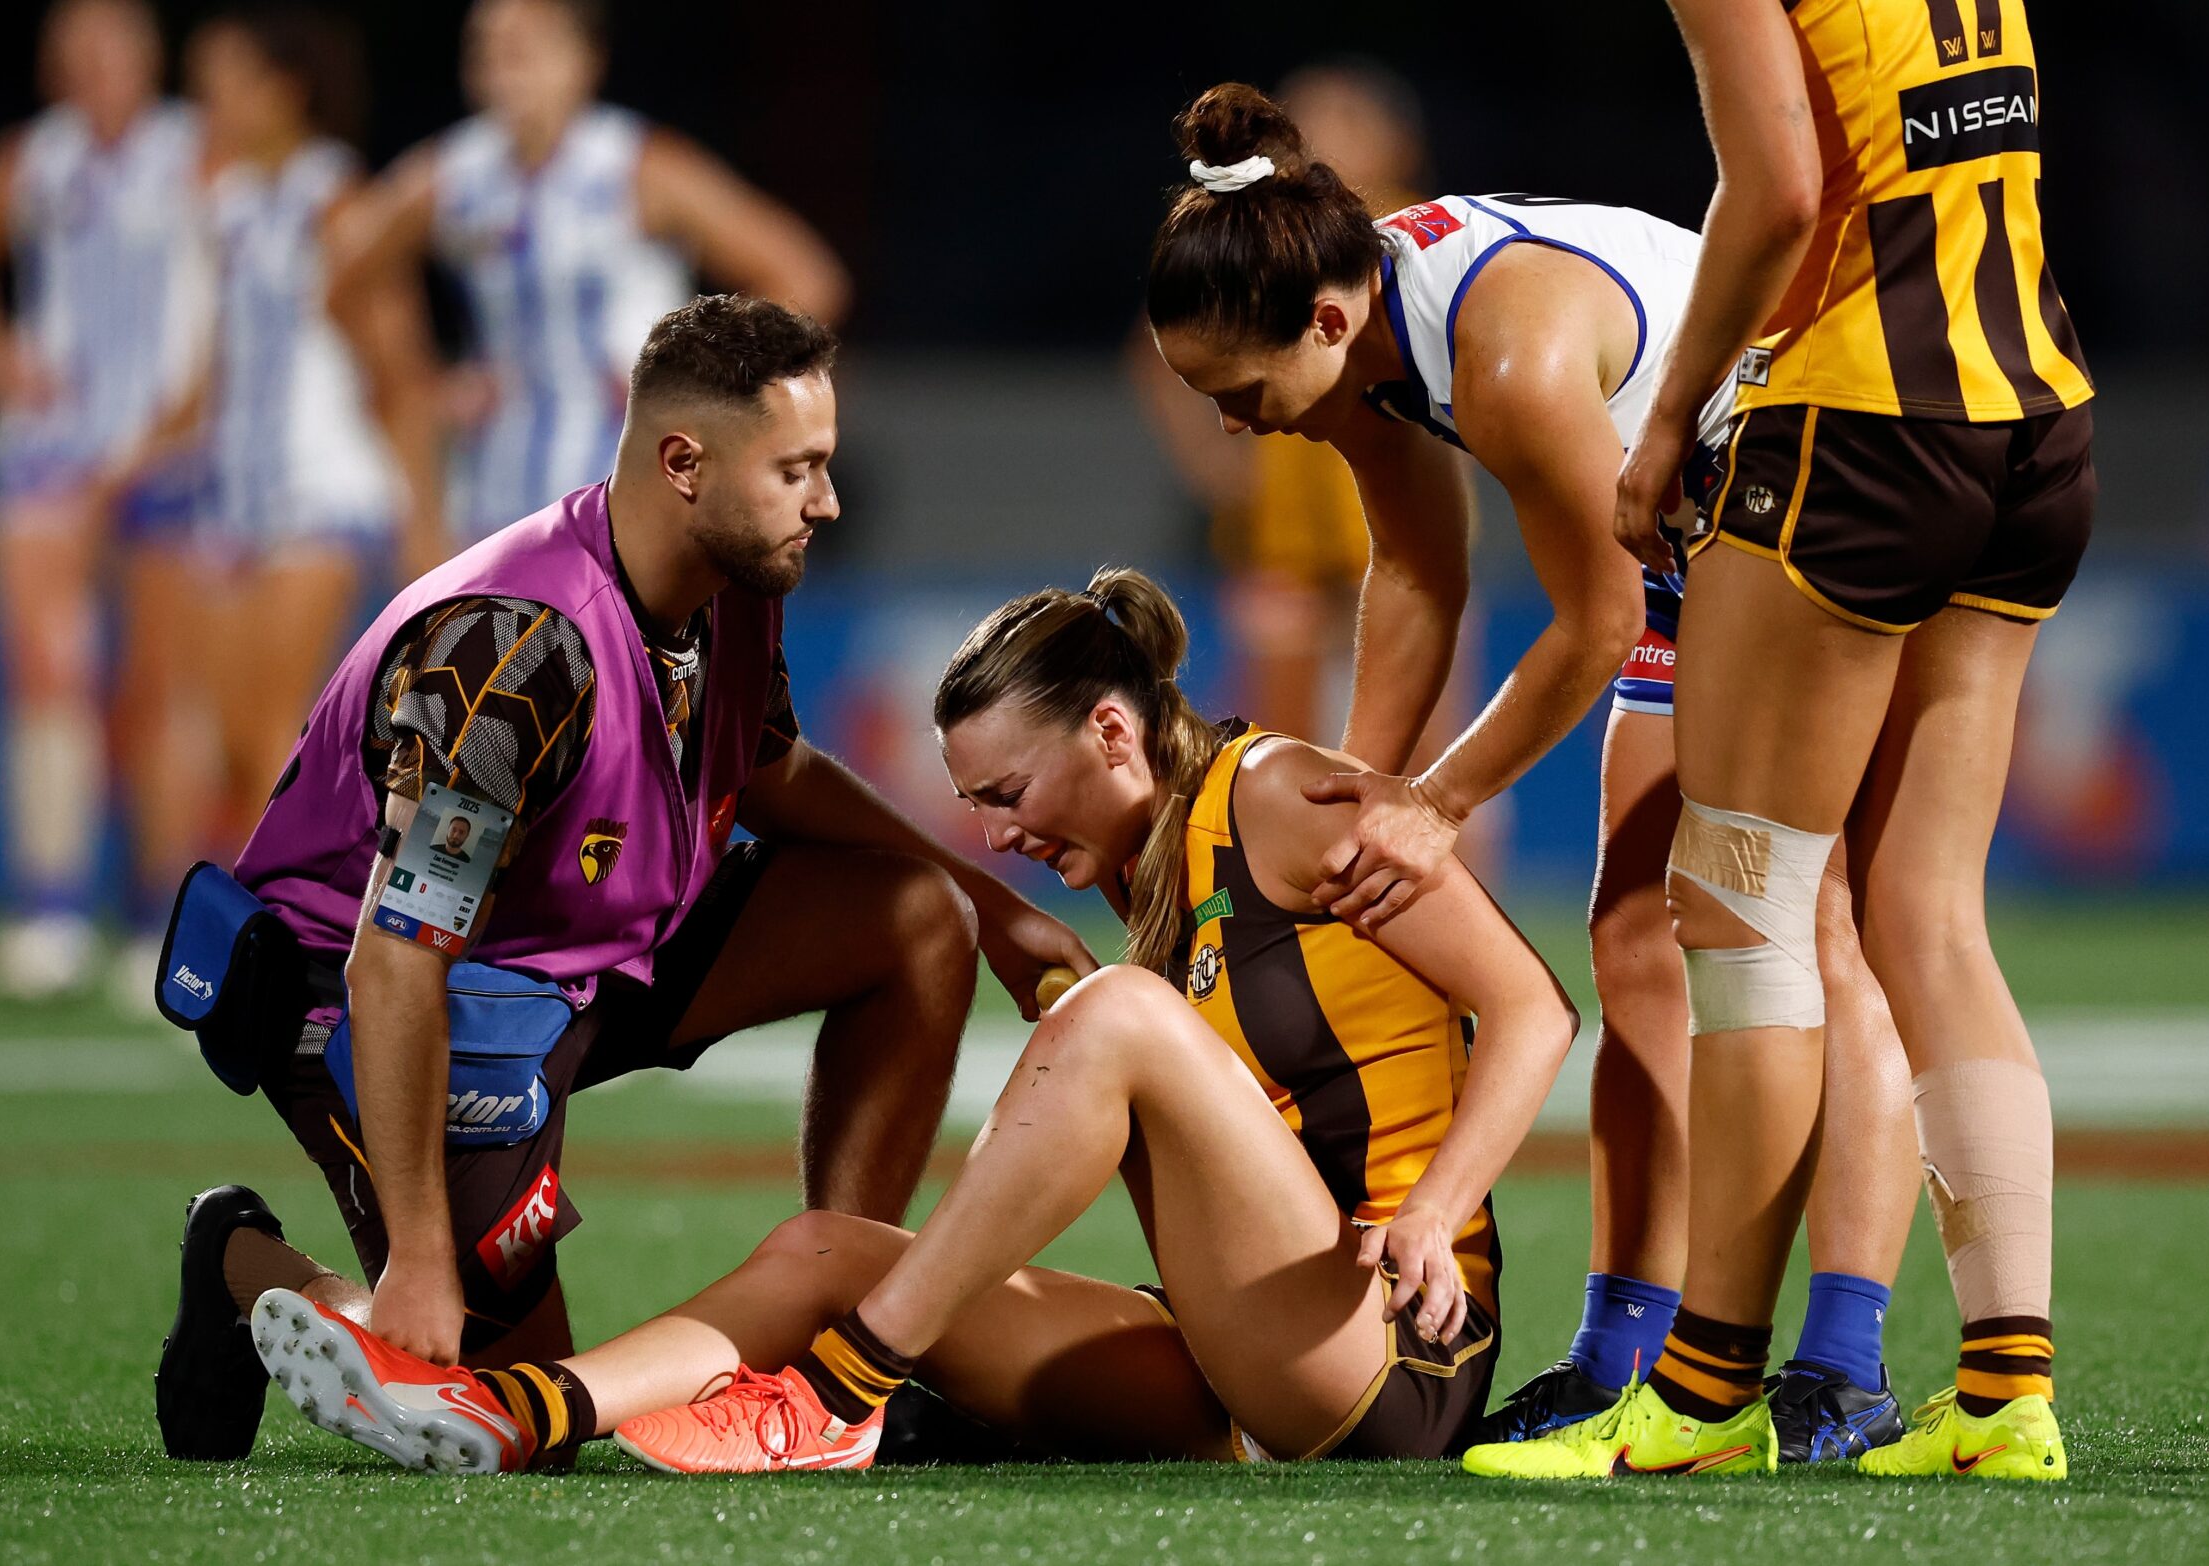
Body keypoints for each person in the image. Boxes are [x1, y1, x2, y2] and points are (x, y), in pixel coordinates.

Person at [239, 565, 1574, 1475]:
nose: (991, 833)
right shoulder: (1149, 874)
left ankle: (843, 1386)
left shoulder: (1279, 796)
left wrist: (1434, 1208)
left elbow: (1533, 1008)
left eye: (1007, 793)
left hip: (1393, 1349)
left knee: (1113, 1014)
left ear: (1114, 733)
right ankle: (517, 1409)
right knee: (824, 1245)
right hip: (1243, 1356)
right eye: (973, 804)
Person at [151, 296, 1093, 1464]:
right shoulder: (509, 655)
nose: (827, 503)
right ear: (683, 464)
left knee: (915, 918)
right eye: (795, 470)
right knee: (506, 1413)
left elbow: (768, 765)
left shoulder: (735, 583)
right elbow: (392, 960)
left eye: (824, 465)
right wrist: (422, 1258)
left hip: (592, 948)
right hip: (386, 998)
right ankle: (248, 1265)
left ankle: (835, 1362)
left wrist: (993, 908)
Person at [1140, 86, 1918, 1463]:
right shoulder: (1357, 329)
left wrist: (1432, 805)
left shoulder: (1497, 355)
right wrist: (1355, 798)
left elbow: (1596, 620)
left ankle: (1842, 1367)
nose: (1236, 428)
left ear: (1322, 324)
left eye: (1238, 393)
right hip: (1695, 522)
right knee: (1632, 936)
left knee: (1808, 921)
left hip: (1816, 486)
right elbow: (1417, 573)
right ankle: (1622, 1350)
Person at [1469, 0, 2093, 1483]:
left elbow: (1778, 192)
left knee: (1744, 905)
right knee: (1927, 916)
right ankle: (2006, 1397)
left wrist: (1669, 418)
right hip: (2039, 406)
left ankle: (1698, 1400)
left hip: (1862, 417)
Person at [0, 0, 212, 1000]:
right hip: (50, 452)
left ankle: (155, 912)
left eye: (111, 50)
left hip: (167, 452)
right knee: (45, 675)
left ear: (150, 58)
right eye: (74, 53)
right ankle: (50, 910)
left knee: (160, 687)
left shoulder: (195, 152)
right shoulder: (32, 160)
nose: (93, 70)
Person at [326, 0, 850, 563]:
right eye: (486, 48)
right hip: (494, 485)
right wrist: (415, 385)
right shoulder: (457, 174)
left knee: (619, 618)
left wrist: (708, 383)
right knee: (504, 620)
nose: (503, 64)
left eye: (527, 45)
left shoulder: (636, 167)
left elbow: (806, 278)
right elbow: (344, 273)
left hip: (631, 478)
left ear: (584, 60)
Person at [155, 4, 431, 855]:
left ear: (285, 91)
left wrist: (421, 509)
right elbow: (217, 368)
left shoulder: (335, 195)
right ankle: (281, 906)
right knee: (237, 740)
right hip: (240, 494)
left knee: (279, 723)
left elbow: (396, 360)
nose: (209, 104)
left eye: (227, 84)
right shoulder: (232, 207)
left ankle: (295, 918)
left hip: (325, 483)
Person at [1127, 60, 1430, 744]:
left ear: (1396, 142)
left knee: (1419, 747)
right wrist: (1219, 468)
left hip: (1400, 517)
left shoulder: (1419, 230)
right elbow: (1156, 350)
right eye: (1306, 117)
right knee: (1283, 742)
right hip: (1283, 530)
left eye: (1346, 120)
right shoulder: (1255, 237)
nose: (1323, 136)